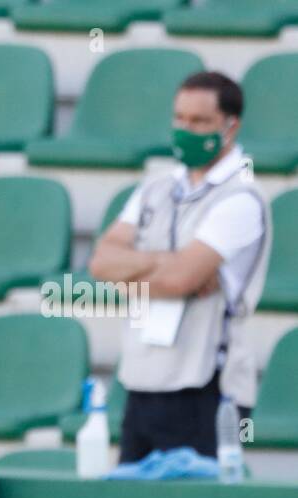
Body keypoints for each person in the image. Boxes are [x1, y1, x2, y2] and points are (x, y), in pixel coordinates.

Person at [90, 71, 272, 464]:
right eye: (180, 119)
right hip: (142, 380)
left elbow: (181, 277)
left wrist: (140, 273)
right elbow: (102, 262)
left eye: (199, 122)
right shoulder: (156, 187)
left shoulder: (241, 197)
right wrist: (163, 265)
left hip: (207, 388)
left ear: (230, 126)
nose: (185, 130)